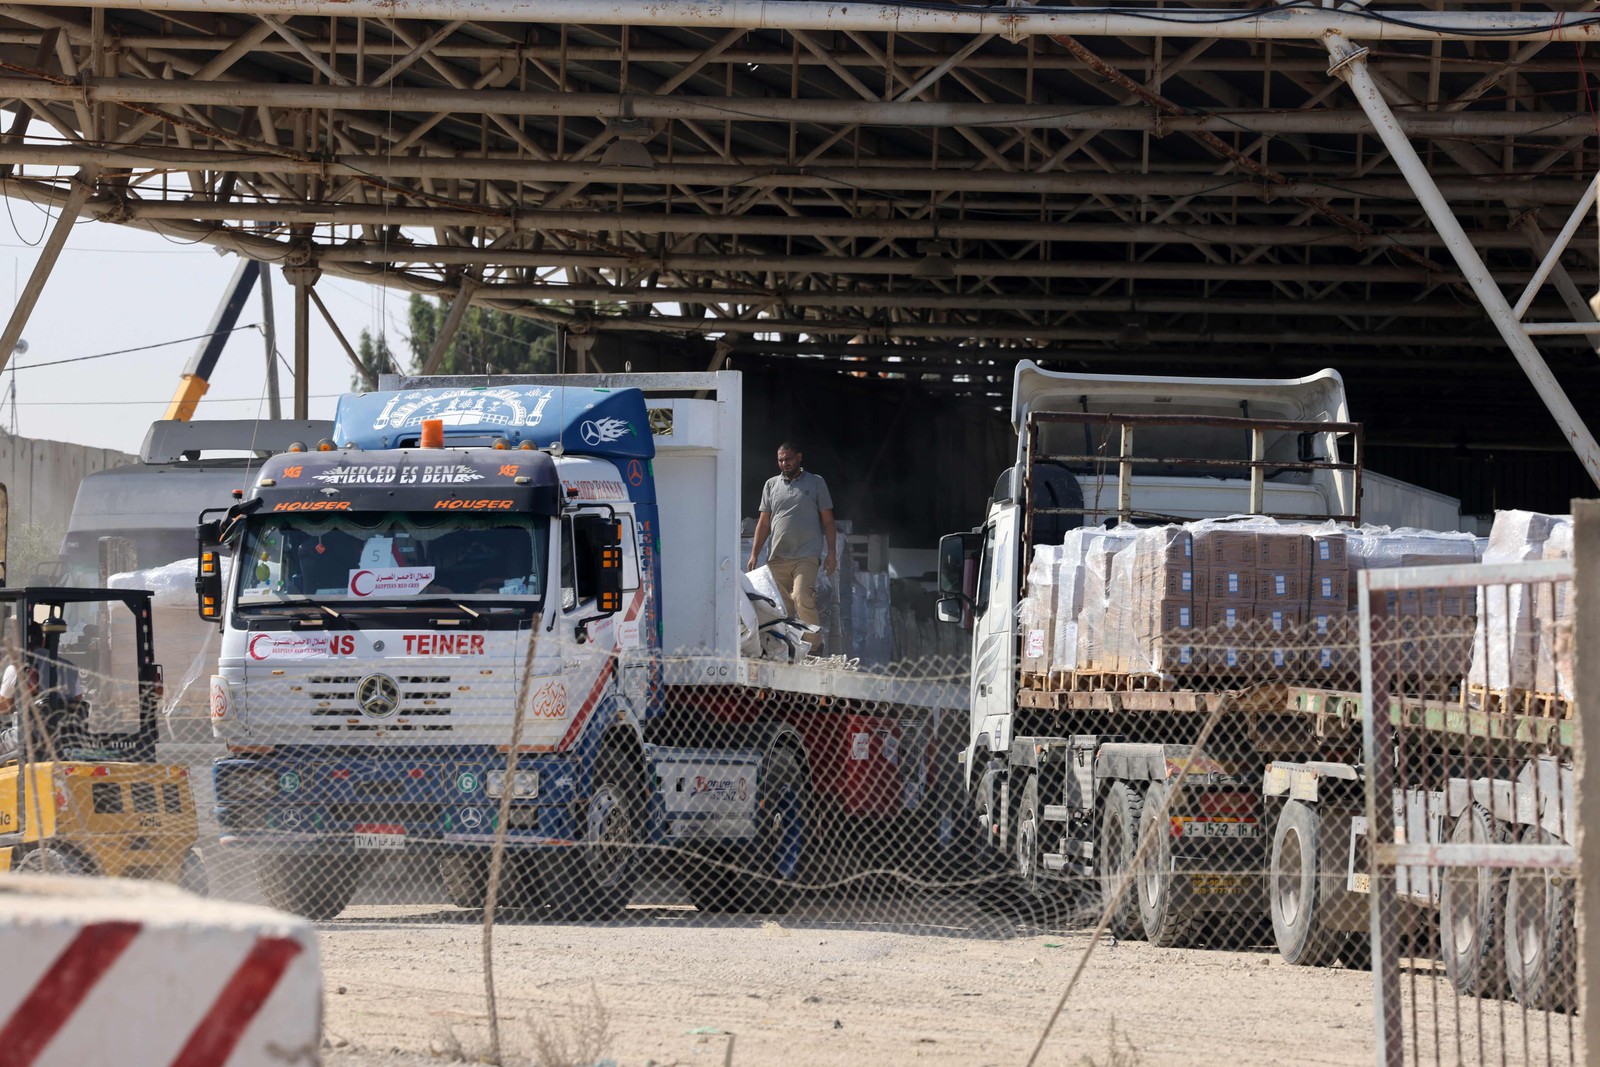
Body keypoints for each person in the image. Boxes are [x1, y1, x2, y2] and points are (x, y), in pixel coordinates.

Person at [746, 442, 837, 655]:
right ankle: (788, 649)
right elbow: (764, 523)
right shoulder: (771, 485)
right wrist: (754, 554)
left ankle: (814, 646)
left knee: (802, 596)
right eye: (780, 460)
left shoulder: (816, 483)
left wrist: (832, 552)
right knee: (779, 607)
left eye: (788, 459)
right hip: (777, 557)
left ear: (799, 457)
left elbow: (828, 520)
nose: (784, 463)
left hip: (806, 555)